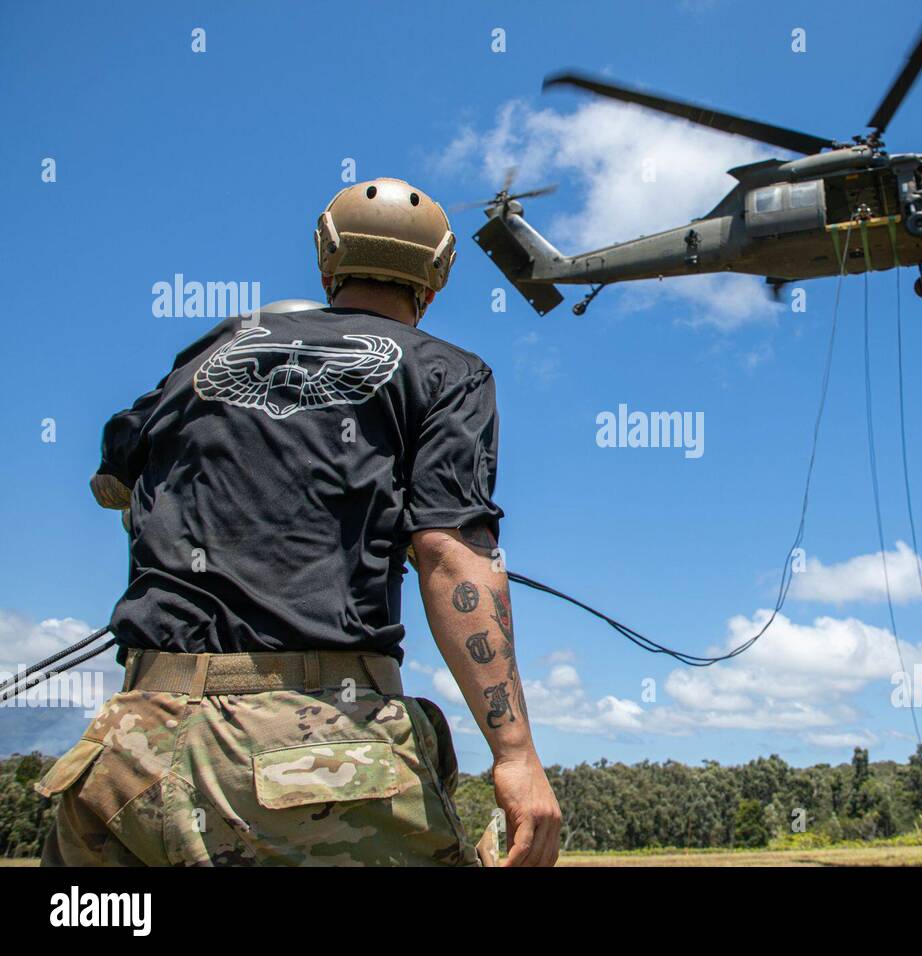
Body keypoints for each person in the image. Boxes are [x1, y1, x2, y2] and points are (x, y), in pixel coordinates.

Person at [37, 177, 561, 867]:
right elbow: (450, 553)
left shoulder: (207, 357)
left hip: (127, 755)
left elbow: (116, 478)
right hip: (310, 758)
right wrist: (516, 755)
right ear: (434, 281)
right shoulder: (447, 373)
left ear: (327, 267)